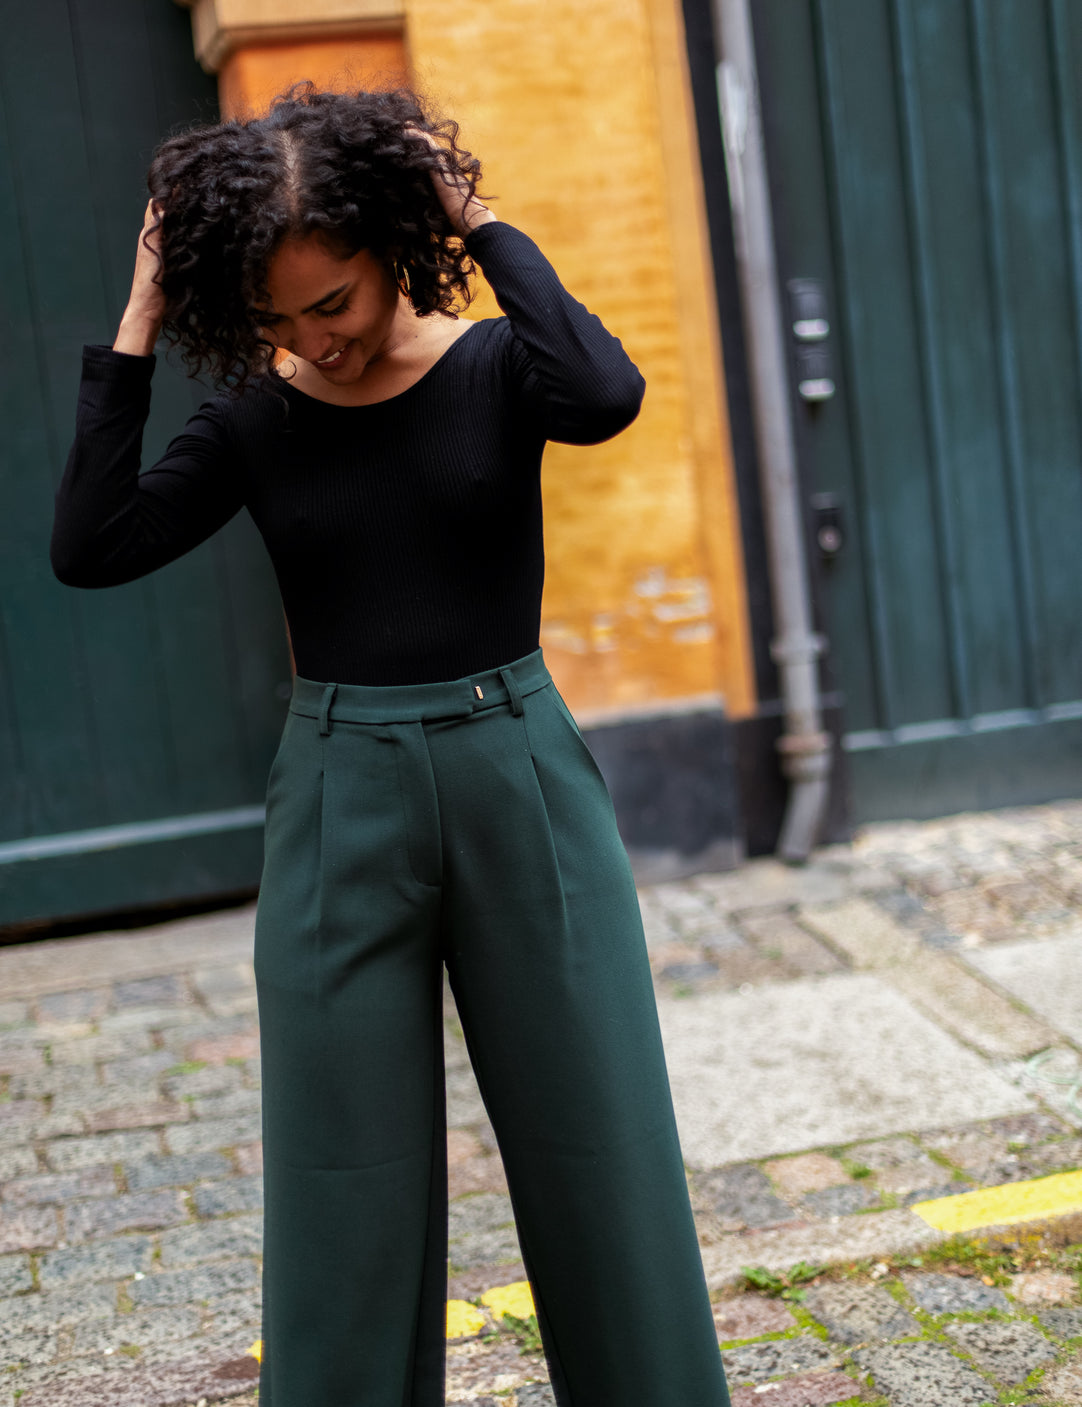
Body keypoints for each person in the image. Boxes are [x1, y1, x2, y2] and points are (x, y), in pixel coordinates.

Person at [51, 84, 731, 1407]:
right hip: (338, 797)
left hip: (519, 775)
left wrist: (476, 221)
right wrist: (139, 315)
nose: (317, 340)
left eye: (335, 302)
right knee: (339, 1175)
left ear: (391, 247)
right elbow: (93, 545)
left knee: (602, 1144)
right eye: (277, 320)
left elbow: (604, 392)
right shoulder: (258, 418)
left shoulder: (496, 370)